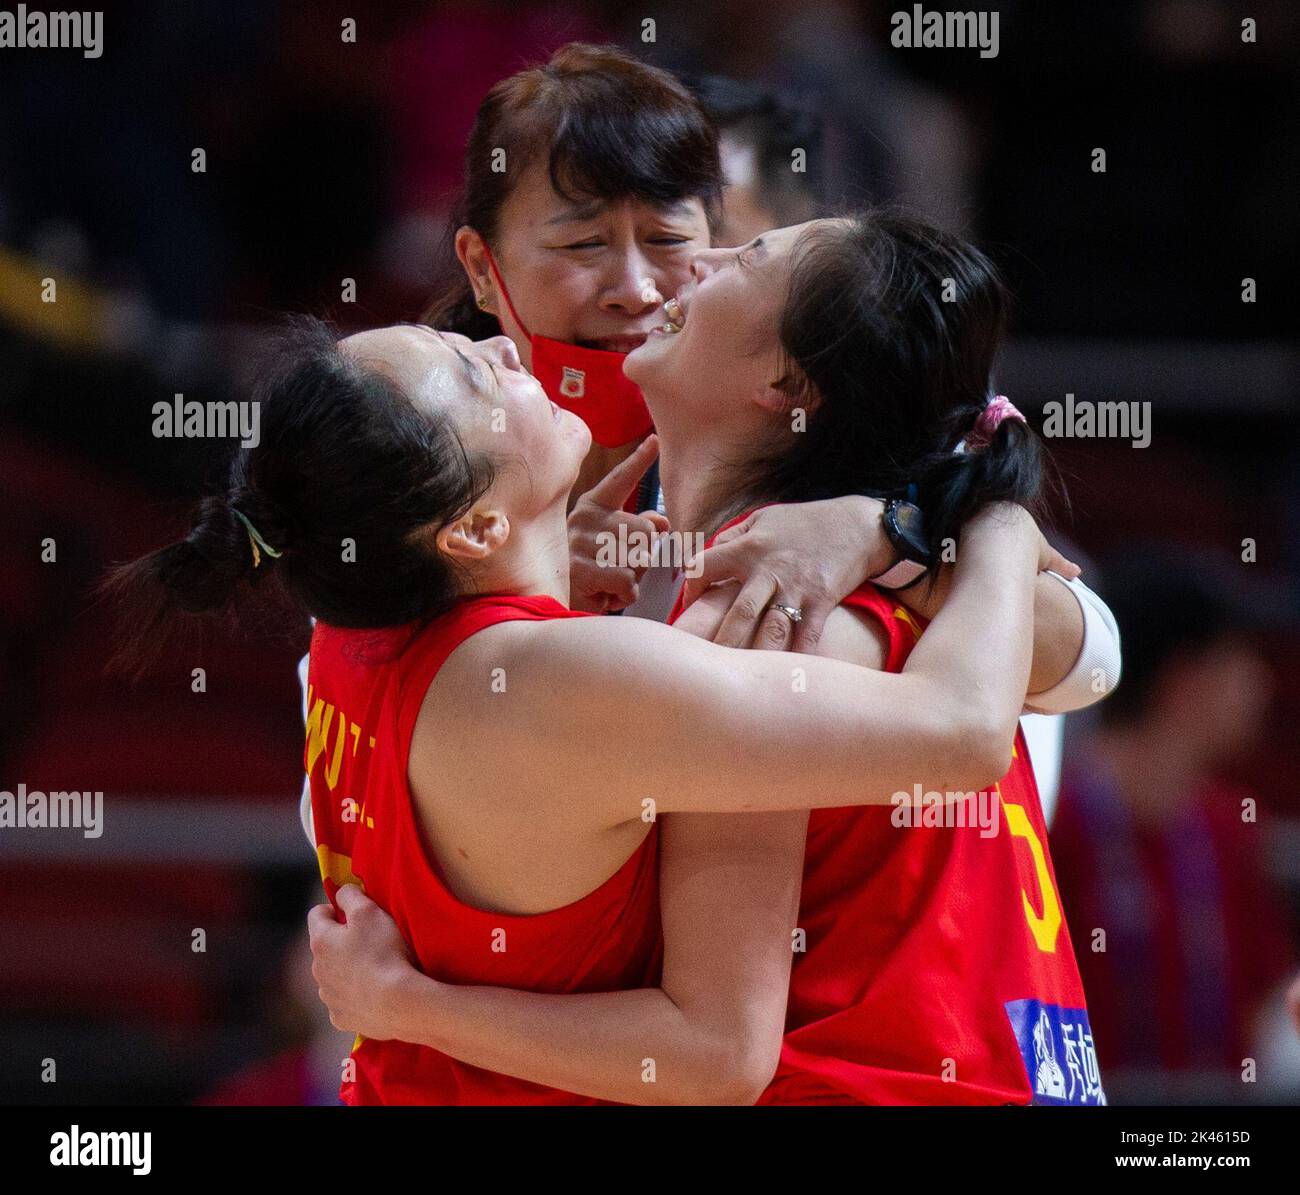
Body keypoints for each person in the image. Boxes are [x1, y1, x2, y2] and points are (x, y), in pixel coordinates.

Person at [307, 212, 1117, 1105]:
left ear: (785, 382)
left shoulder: (764, 616)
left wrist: (410, 1006)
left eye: (749, 257)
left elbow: (716, 1049)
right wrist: (958, 516)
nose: (700, 260)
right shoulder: (941, 587)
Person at [1049, 549, 1298, 1095]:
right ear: (1184, 678)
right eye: (1241, 660)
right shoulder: (1055, 823)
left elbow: (1263, 1000)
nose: (1262, 685)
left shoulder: (1232, 827)